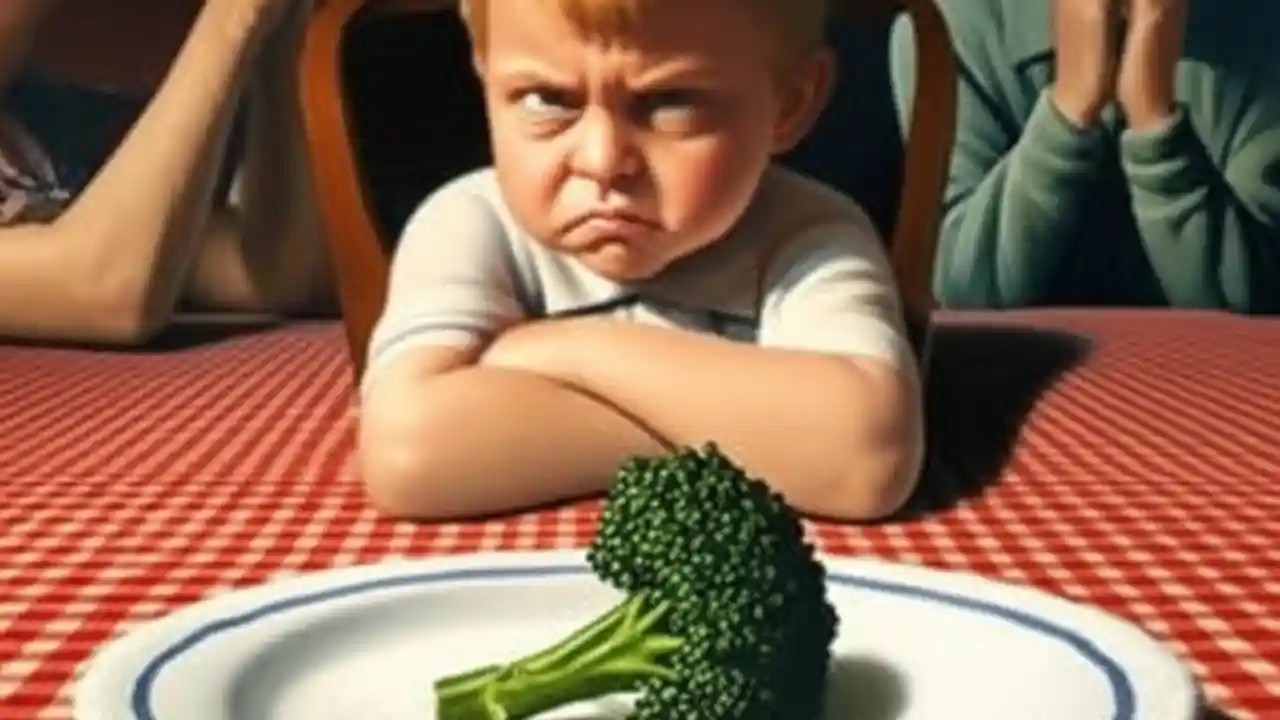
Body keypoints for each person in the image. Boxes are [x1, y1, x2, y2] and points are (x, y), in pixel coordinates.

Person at [357, 0, 925, 522]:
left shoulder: (807, 235)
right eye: (547, 100)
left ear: (791, 103)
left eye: (669, 102)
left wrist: (557, 349)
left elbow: (866, 455)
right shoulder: (473, 222)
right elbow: (407, 452)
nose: (602, 161)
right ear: (484, 79)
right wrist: (770, 443)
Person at [890, 0, 1280, 312]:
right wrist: (1069, 108)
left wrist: (1153, 118)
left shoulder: (1263, 28)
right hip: (1020, 377)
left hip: (1220, 377)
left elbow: (1255, 302)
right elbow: (961, 295)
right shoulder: (947, 31)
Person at [0, 0, 334, 345]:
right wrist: (231, 18)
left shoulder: (42, 124)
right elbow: (104, 290)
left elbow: (271, 274)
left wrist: (285, 20)